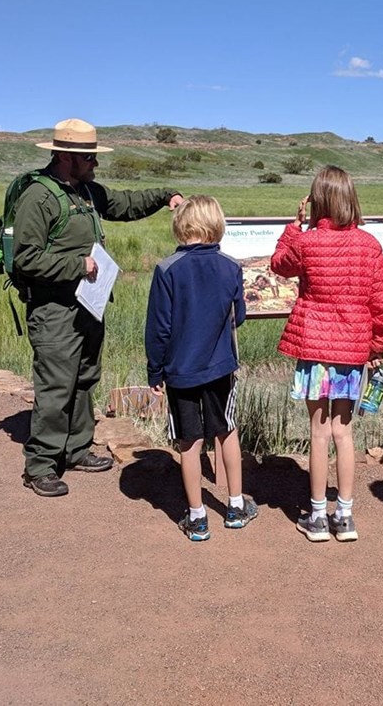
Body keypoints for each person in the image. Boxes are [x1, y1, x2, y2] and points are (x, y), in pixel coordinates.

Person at [17, 118, 183, 497]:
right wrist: (77, 265)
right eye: (88, 157)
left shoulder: (86, 192)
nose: (95, 162)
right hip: (54, 310)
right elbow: (26, 260)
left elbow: (124, 203)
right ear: (64, 156)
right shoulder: (38, 197)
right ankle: (41, 465)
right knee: (56, 386)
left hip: (86, 307)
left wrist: (164, 196)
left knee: (84, 379)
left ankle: (76, 449)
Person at [271, 166, 383, 542]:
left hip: (314, 348)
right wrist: (378, 345)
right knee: (344, 432)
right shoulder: (370, 245)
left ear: (317, 201)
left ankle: (318, 515)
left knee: (318, 433)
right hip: (352, 350)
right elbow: (379, 301)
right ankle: (346, 516)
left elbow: (279, 265)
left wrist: (294, 226)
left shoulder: (307, 242)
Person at [145, 195, 256, 541]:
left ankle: (197, 517)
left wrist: (155, 370)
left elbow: (158, 328)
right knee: (227, 431)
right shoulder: (231, 266)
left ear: (180, 225)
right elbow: (240, 314)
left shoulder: (167, 270)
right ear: (216, 225)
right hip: (221, 367)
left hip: (180, 371)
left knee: (189, 441)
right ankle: (236, 506)